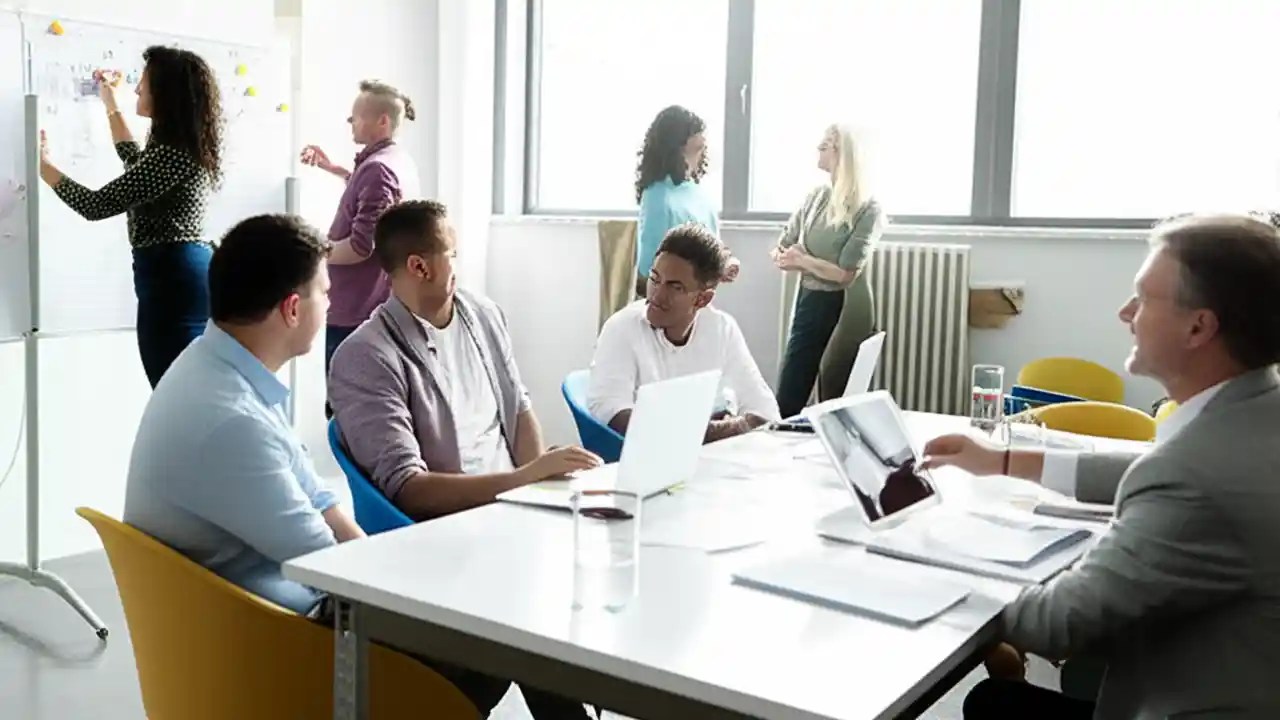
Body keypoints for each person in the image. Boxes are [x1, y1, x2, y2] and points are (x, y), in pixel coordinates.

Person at [922, 213, 1280, 719]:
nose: (1125, 312)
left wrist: (932, 568)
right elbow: (1148, 467)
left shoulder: (1193, 478)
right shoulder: (1256, 410)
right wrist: (1001, 460)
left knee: (991, 704)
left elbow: (1055, 623)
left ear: (1198, 326)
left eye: (1143, 298)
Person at [124, 213, 361, 617]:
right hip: (266, 634)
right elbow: (326, 566)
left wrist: (366, 554)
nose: (330, 303)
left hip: (249, 611)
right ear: (292, 309)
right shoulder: (234, 422)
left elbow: (317, 496)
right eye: (324, 292)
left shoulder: (216, 365)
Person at [38, 46, 223, 387]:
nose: (137, 89)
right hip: (179, 272)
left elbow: (95, 206)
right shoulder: (175, 148)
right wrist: (110, 104)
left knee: (173, 389)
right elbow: (133, 160)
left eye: (144, 82)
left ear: (165, 94)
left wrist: (44, 168)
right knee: (182, 386)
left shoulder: (172, 154)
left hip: (173, 275)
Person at [588, 222, 779, 442]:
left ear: (702, 299)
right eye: (655, 279)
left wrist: (713, 429)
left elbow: (765, 412)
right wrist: (724, 428)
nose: (657, 295)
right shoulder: (621, 328)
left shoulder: (722, 329)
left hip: (713, 458)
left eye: (675, 287)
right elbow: (612, 413)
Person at [300, 79, 422, 380]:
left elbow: (360, 247)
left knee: (345, 399)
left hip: (356, 309)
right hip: (374, 305)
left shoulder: (377, 170)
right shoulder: (395, 161)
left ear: (382, 121)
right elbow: (370, 196)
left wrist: (311, 249)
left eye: (356, 116)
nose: (350, 122)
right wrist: (334, 169)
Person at [772, 124, 884, 418]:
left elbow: (845, 273)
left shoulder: (869, 208)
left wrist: (804, 261)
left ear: (843, 153)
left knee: (835, 398)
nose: (818, 150)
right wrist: (795, 258)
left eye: (825, 145)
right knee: (789, 395)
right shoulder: (815, 197)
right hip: (808, 299)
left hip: (845, 306)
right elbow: (783, 247)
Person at [634, 104, 738, 297]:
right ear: (677, 142)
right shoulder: (658, 196)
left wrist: (724, 264)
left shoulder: (699, 193)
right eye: (692, 131)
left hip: (697, 295)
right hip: (670, 298)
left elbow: (712, 247)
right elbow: (649, 267)